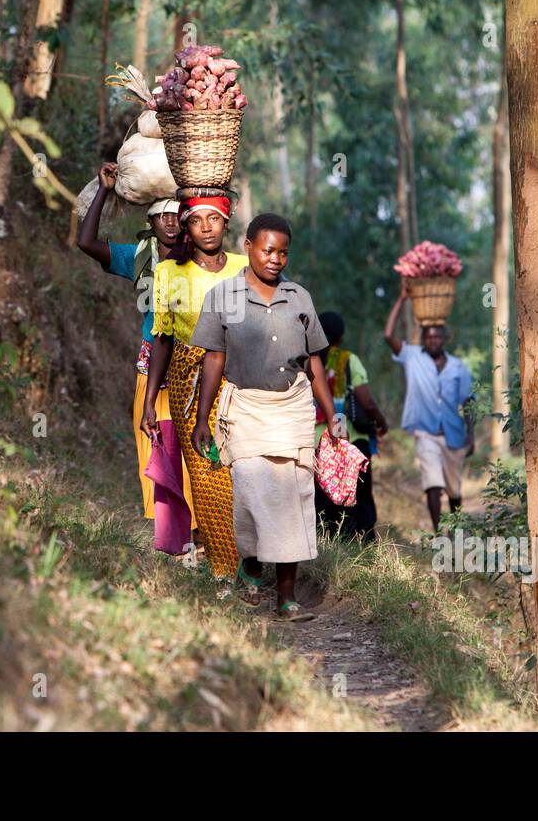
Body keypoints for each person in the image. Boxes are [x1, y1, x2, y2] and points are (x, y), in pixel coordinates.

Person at [188, 213, 342, 622]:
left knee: (292, 498)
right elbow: (214, 359)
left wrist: (330, 418)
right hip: (247, 410)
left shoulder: (300, 297)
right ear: (248, 246)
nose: (276, 259)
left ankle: (286, 598)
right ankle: (253, 562)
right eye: (268, 249)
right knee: (252, 489)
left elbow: (314, 364)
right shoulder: (223, 297)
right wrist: (203, 418)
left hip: (292, 409)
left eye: (283, 252)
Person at [75, 162, 193, 526]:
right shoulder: (140, 258)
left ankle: (199, 532)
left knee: (192, 450)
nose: (171, 222)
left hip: (195, 367)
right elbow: (86, 243)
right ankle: (169, 530)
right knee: (155, 442)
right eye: (163, 217)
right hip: (152, 367)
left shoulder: (201, 258)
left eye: (177, 216)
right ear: (152, 223)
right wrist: (103, 190)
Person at [140, 194, 248, 578]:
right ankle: (224, 566)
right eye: (197, 219)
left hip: (240, 377)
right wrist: (151, 401)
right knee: (205, 471)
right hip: (189, 380)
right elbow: (163, 339)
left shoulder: (244, 267)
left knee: (241, 467)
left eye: (214, 219)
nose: (206, 227)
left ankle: (253, 557)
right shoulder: (170, 272)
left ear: (226, 222)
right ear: (186, 226)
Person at [384, 278, 475, 531]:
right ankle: (439, 535)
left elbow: (468, 402)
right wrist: (402, 298)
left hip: (453, 436)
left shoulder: (458, 367)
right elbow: (388, 335)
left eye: (438, 336)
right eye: (429, 336)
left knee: (454, 490)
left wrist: (472, 436)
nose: (433, 339)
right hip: (425, 433)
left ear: (444, 338)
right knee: (432, 484)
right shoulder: (412, 357)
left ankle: (455, 530)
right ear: (423, 339)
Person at [313, 311, 389, 540]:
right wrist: (381, 421)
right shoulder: (347, 360)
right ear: (341, 337)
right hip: (352, 440)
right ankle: (363, 538)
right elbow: (365, 400)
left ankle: (326, 539)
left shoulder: (310, 361)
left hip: (318, 440)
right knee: (359, 491)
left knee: (324, 493)